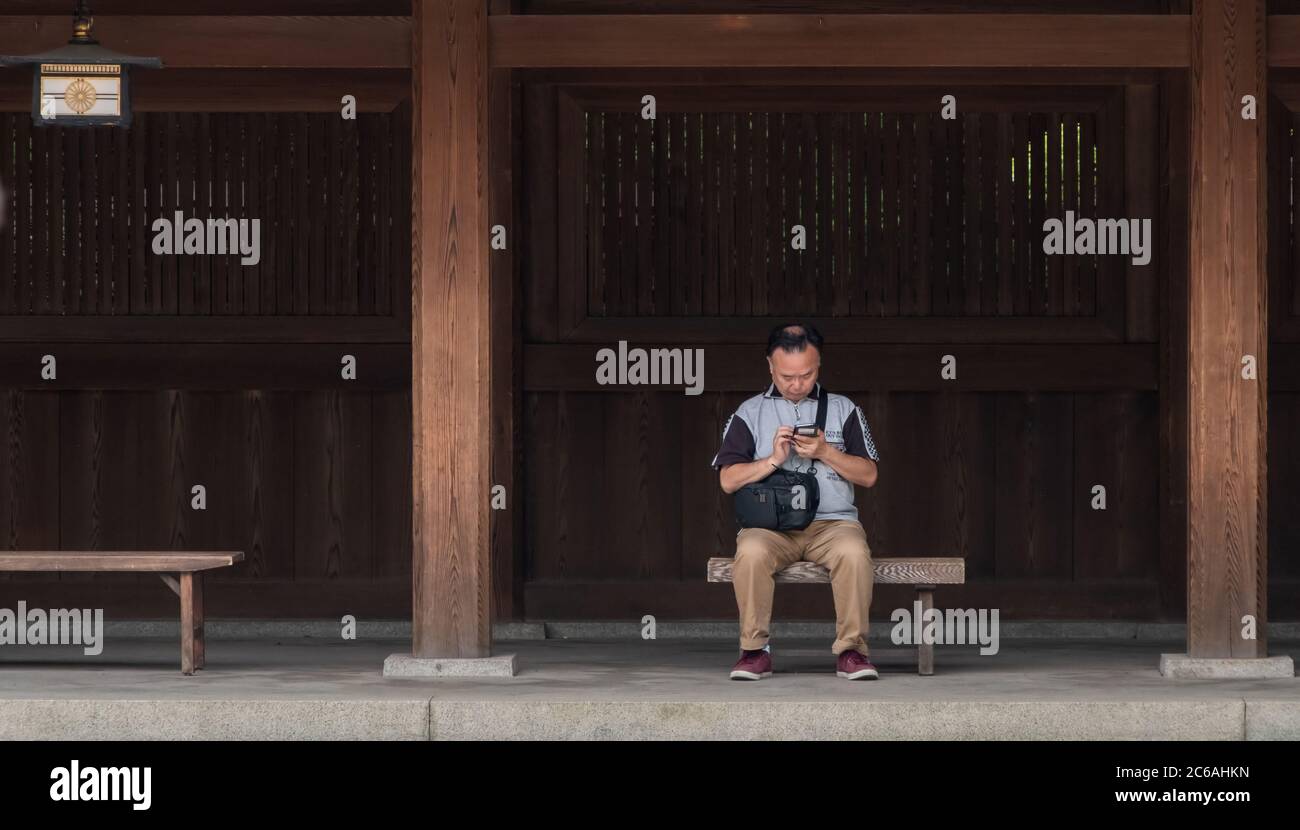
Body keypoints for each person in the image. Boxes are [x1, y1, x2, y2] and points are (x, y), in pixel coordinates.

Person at [712, 323, 881, 681]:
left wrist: (825, 451)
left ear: (818, 366)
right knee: (752, 552)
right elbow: (727, 480)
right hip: (770, 527)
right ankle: (754, 651)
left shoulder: (843, 409)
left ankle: (852, 651)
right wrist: (772, 459)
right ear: (770, 367)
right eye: (787, 376)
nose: (796, 384)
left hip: (832, 524)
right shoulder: (749, 412)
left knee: (854, 553)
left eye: (806, 374)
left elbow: (868, 475)